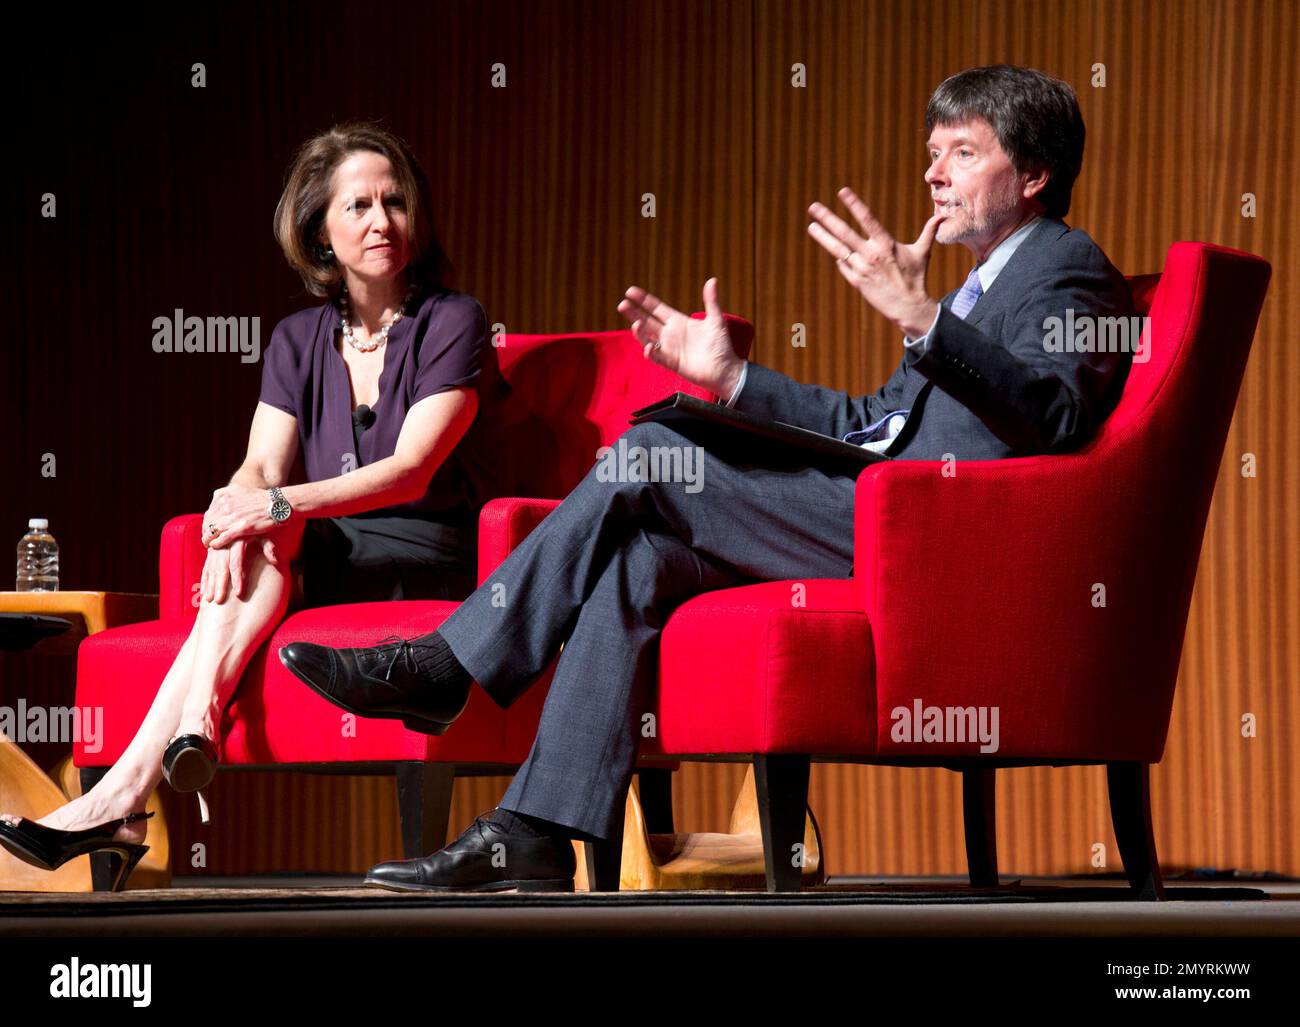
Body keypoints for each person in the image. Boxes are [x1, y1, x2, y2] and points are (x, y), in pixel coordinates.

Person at [278, 65, 1138, 893]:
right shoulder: (985, 287)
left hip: (930, 534)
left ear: (1033, 172)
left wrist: (923, 319)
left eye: (960, 152)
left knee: (654, 456)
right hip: (878, 505)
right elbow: (871, 424)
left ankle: (446, 664)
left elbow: (1055, 417)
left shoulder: (1067, 267)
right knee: (639, 556)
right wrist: (730, 379)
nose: (932, 173)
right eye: (932, 151)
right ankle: (536, 831)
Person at [0, 122, 491, 890]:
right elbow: (261, 462)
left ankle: (125, 795)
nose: (381, 221)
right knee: (246, 536)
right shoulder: (298, 338)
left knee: (264, 528)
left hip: (420, 551)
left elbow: (411, 470)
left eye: (394, 202)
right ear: (321, 232)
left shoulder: (454, 321)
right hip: (320, 550)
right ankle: (166, 756)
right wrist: (230, 516)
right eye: (357, 205)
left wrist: (269, 507)